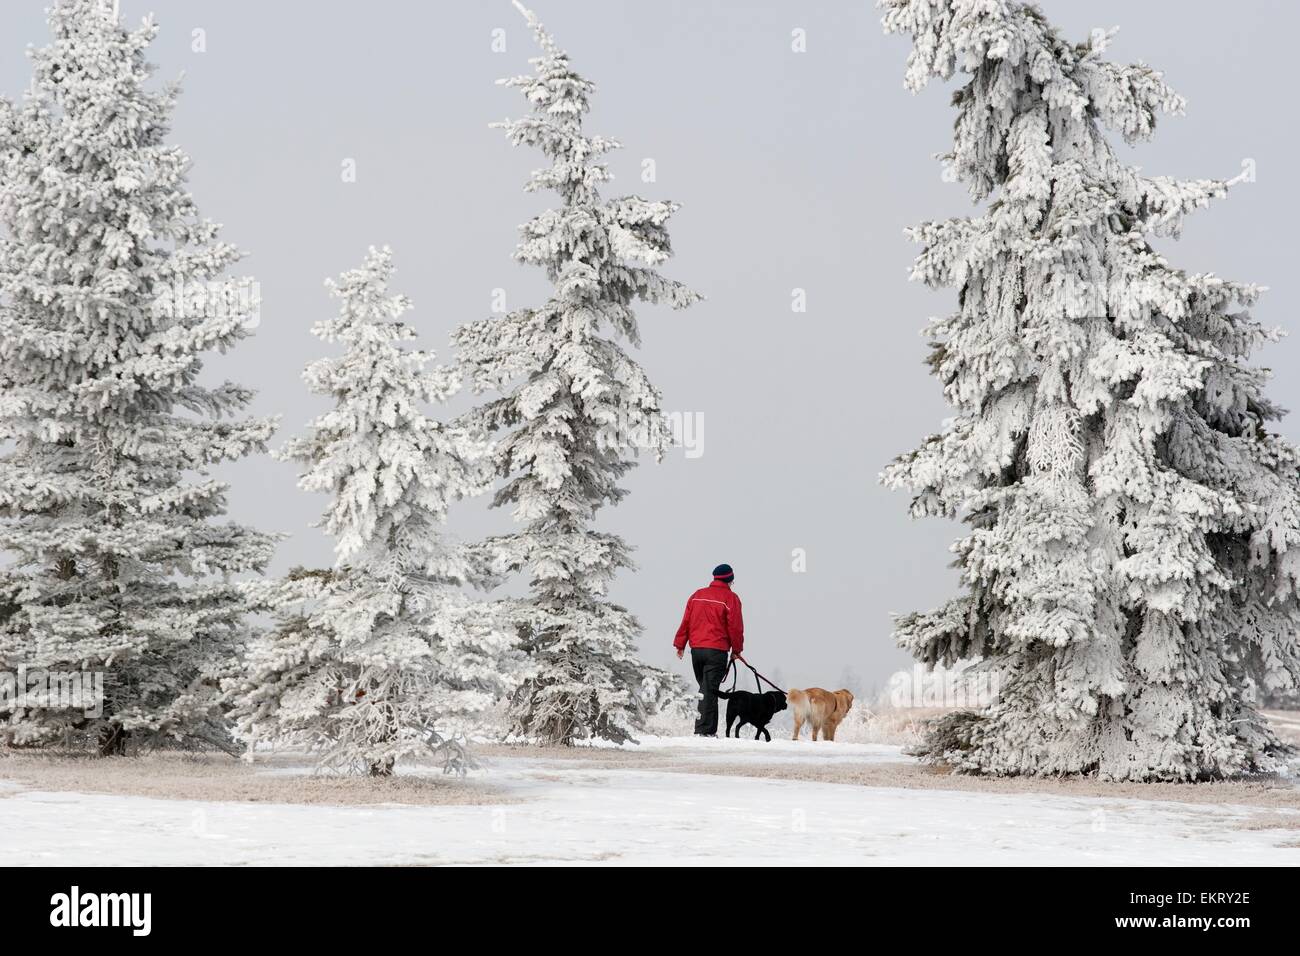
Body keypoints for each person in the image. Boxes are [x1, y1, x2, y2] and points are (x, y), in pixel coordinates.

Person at [673, 563, 744, 736]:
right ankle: (703, 731)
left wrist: (680, 643)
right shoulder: (731, 598)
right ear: (729, 580)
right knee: (708, 690)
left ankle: (709, 731)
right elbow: (735, 627)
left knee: (707, 689)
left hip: (696, 651)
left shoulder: (697, 595)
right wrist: (737, 649)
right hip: (716, 651)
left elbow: (686, 621)